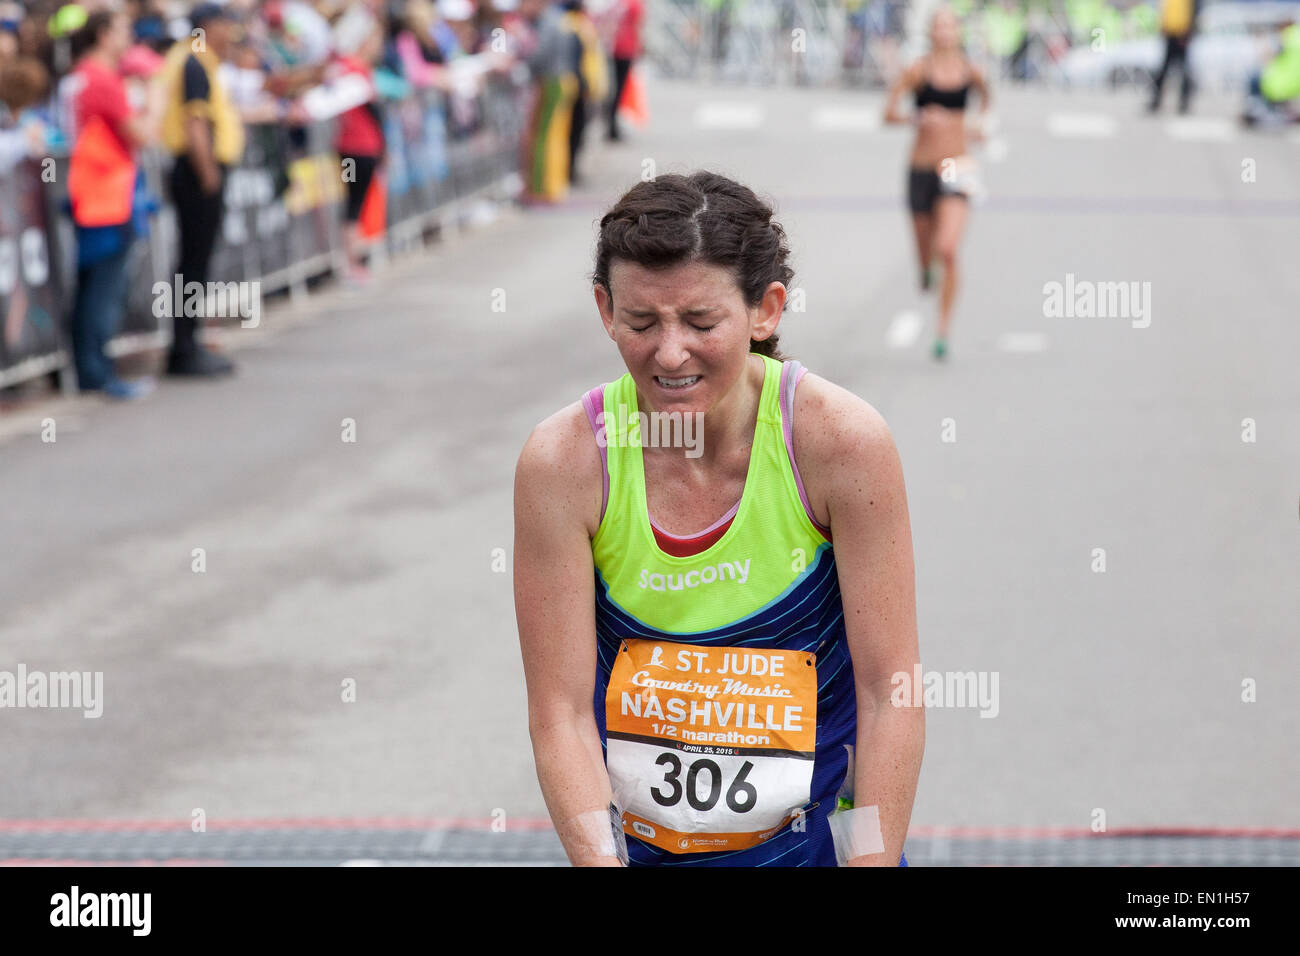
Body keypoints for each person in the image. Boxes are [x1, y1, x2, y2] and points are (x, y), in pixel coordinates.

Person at [513, 171, 922, 867]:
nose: (670, 353)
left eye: (701, 323)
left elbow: (890, 693)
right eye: (642, 323)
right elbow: (561, 716)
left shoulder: (840, 443)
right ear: (605, 310)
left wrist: (869, 864)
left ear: (766, 311)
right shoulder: (565, 463)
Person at [883, 6, 988, 361]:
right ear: (931, 33)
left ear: (958, 32)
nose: (945, 32)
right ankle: (925, 269)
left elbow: (987, 103)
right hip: (921, 169)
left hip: (958, 168)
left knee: (949, 249)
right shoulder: (918, 70)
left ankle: (942, 329)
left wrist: (977, 126)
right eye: (939, 27)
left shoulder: (971, 71)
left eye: (950, 26)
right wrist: (916, 115)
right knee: (927, 250)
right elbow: (888, 112)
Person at [64, 9, 155, 399]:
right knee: (102, 290)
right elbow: (142, 134)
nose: (129, 37)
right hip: (106, 198)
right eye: (123, 30)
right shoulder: (101, 78)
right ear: (103, 35)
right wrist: (155, 96)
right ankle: (96, 373)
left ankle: (90, 370)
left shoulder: (79, 76)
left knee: (92, 288)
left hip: (90, 195)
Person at [156, 1, 244, 376]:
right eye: (225, 25)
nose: (231, 33)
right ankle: (184, 348)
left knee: (194, 262)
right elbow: (195, 124)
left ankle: (188, 342)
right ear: (208, 25)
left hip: (195, 170)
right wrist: (208, 174)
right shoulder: (194, 61)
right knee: (193, 262)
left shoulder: (194, 58)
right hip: (196, 172)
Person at [1148, 0, 1201, 114]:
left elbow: (1194, 12)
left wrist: (1188, 32)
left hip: (1182, 35)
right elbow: (1166, 11)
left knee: (1184, 71)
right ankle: (1156, 101)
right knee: (1163, 70)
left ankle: (1184, 103)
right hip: (1170, 34)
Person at [602, 0, 641, 142]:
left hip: (612, 47)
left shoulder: (617, 3)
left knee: (613, 90)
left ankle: (611, 125)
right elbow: (637, 26)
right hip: (625, 49)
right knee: (618, 90)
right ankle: (612, 127)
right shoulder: (634, 3)